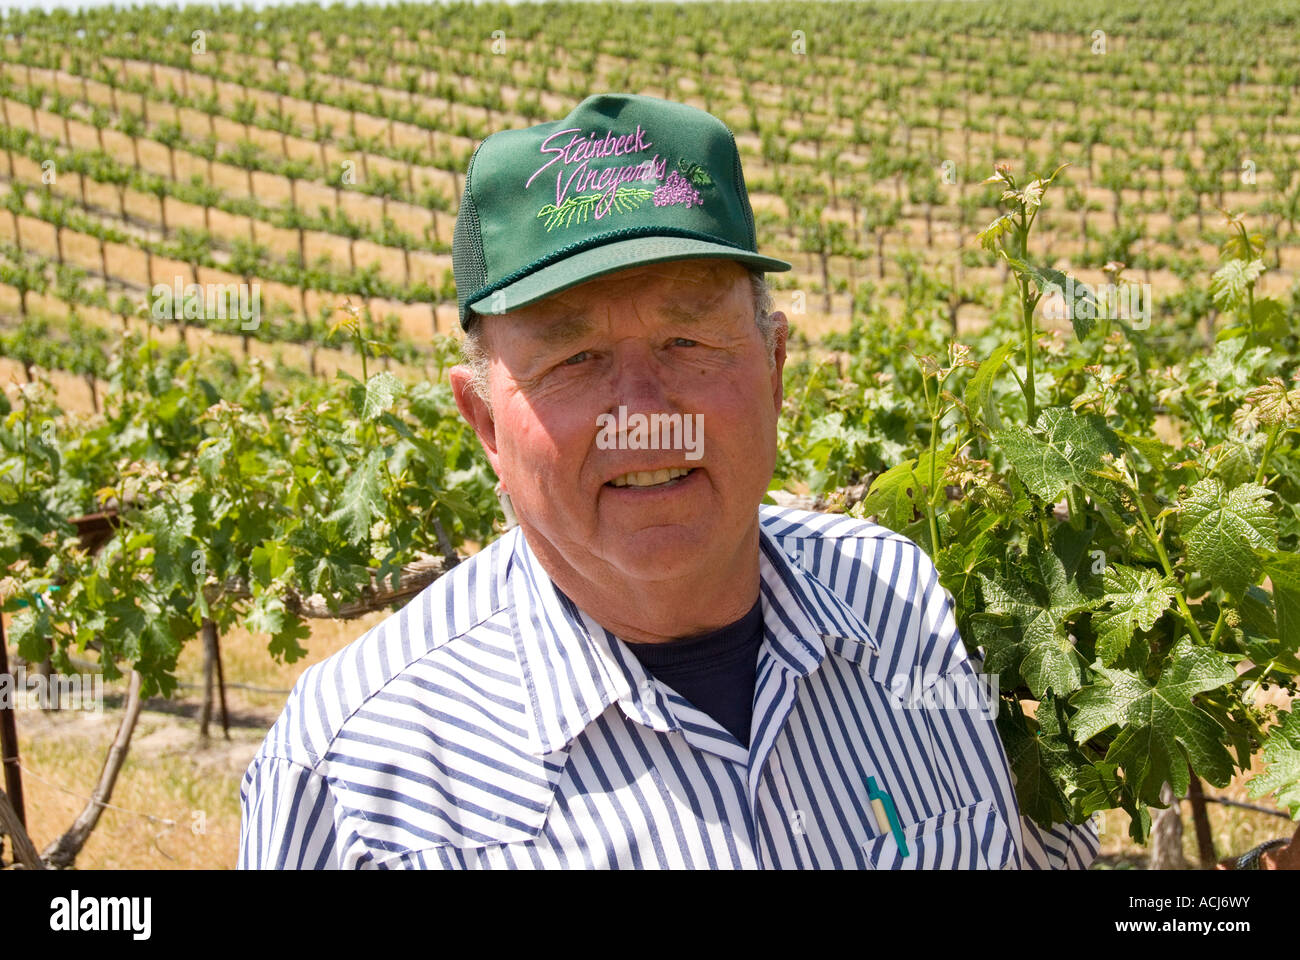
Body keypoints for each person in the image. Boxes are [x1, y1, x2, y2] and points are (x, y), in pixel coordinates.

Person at [238, 93, 1098, 869]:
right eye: (574, 358)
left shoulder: (906, 603)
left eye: (688, 341)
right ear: (485, 422)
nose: (643, 413)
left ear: (775, 368)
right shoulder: (354, 774)